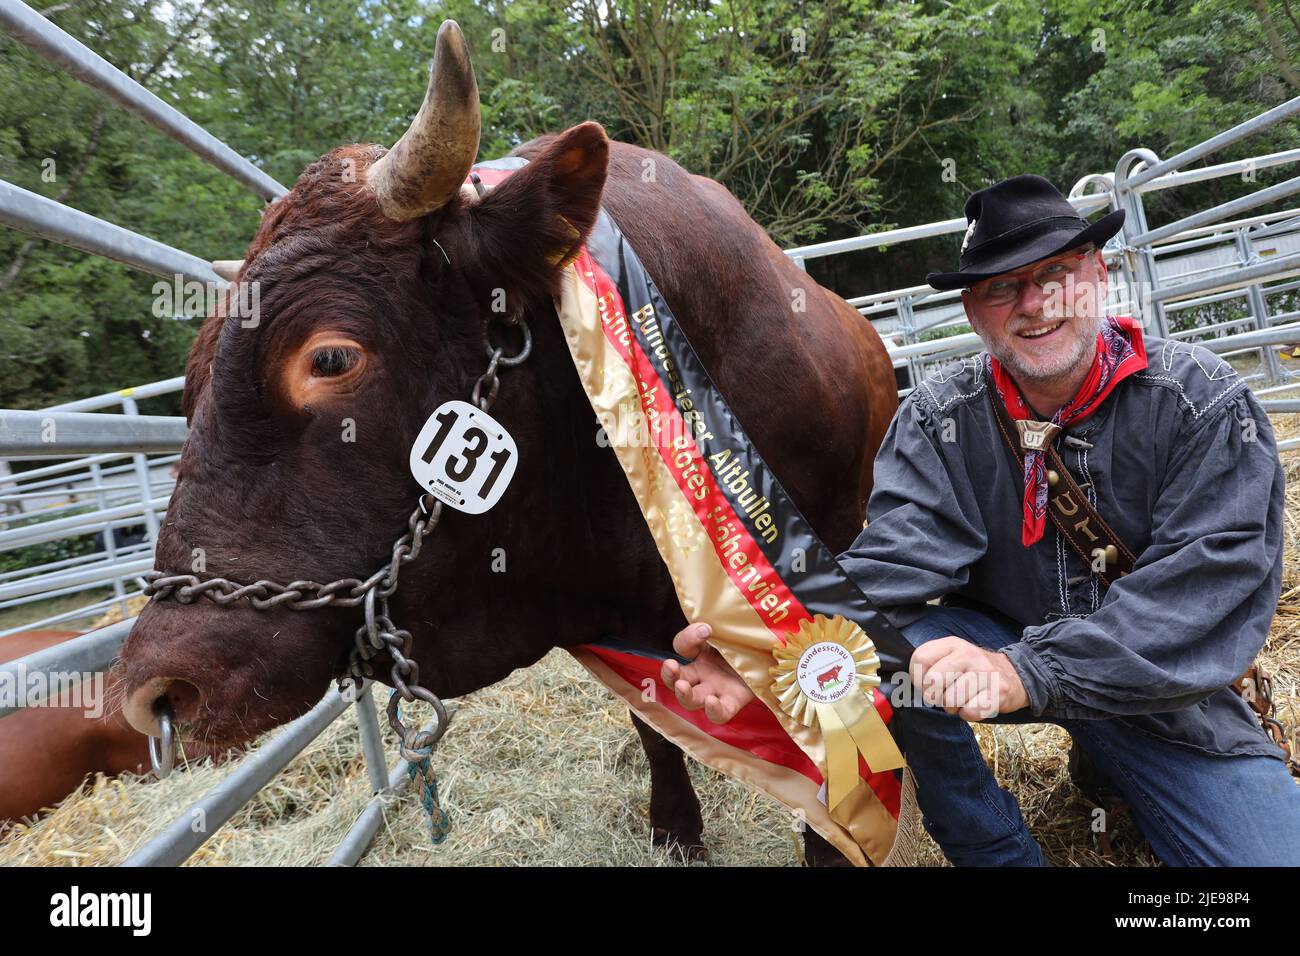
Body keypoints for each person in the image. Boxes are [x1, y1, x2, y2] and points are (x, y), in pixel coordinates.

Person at [662, 174, 1300, 866]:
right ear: (973, 309)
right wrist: (763, 657)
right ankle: (994, 851)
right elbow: (887, 567)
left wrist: (1025, 670)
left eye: (1055, 273)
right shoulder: (940, 420)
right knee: (885, 641)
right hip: (993, 651)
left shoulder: (1205, 406)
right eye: (1001, 287)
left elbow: (1201, 596)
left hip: (1163, 697)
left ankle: (1114, 759)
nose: (1034, 304)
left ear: (1097, 273)